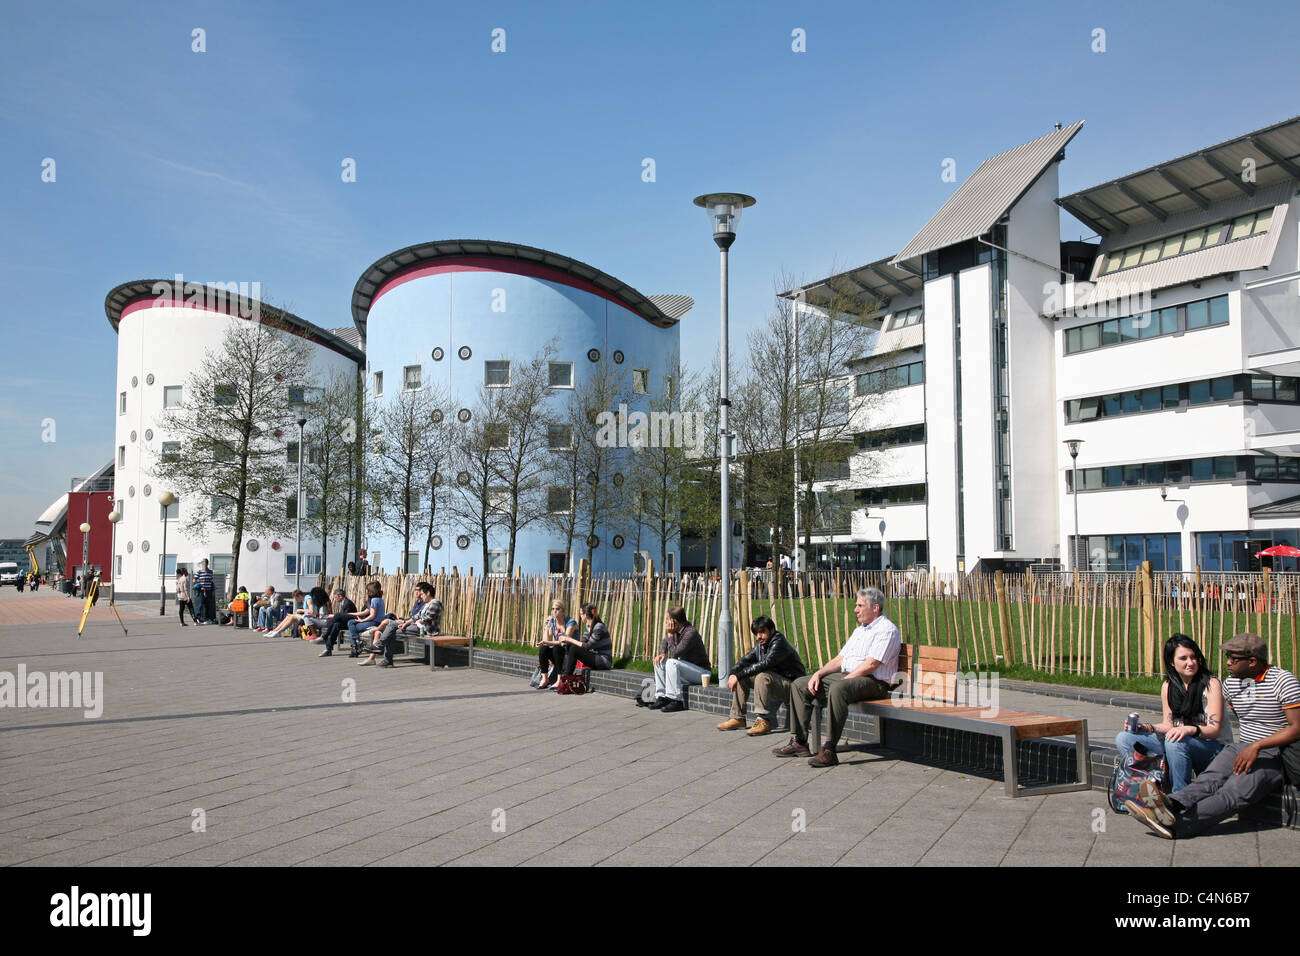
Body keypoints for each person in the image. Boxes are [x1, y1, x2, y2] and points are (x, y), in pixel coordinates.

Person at [1126, 632, 1300, 839]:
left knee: (1233, 792)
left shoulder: (1283, 681)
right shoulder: (1232, 684)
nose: (1227, 663)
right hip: (1241, 747)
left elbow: (1296, 727)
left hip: (1275, 753)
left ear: (1252, 662)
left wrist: (1257, 746)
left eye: (1233, 659)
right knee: (1209, 780)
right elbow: (1242, 715)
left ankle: (1178, 825)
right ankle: (1170, 805)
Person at [774, 586, 900, 767]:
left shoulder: (886, 630)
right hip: (852, 677)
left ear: (875, 608)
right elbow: (841, 659)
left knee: (838, 687)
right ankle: (800, 742)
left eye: (859, 605)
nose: (855, 609)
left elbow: (872, 664)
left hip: (875, 682)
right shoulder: (860, 631)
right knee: (801, 684)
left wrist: (846, 680)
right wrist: (818, 674)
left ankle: (829, 750)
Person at [1114, 634, 1228, 793]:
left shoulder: (1210, 684)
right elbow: (1169, 725)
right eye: (1183, 658)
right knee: (1124, 738)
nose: (1190, 662)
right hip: (1179, 743)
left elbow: (1214, 731)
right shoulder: (1168, 686)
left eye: (1193, 657)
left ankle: (1179, 797)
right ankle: (1150, 787)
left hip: (1212, 748)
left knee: (1174, 741)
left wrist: (1190, 729)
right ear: (1172, 662)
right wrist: (1146, 727)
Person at [717, 616, 805, 735]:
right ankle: (737, 718)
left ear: (772, 630)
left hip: (794, 687)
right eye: (757, 633)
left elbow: (765, 664)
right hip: (779, 683)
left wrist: (738, 675)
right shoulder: (761, 644)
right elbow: (746, 660)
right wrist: (734, 674)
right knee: (742, 677)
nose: (759, 636)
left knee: (762, 676)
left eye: (762, 632)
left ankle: (763, 720)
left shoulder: (779, 643)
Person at [362, 581, 442, 667]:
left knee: (391, 629)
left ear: (428, 593)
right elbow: (416, 616)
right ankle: (383, 654)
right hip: (417, 626)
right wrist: (406, 623)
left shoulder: (435, 603)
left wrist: (414, 621)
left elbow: (425, 619)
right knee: (391, 627)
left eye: (422, 594)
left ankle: (381, 650)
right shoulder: (426, 605)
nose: (421, 596)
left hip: (425, 630)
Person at [648, 606, 711, 713]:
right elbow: (665, 641)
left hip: (702, 673)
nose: (666, 622)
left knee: (672, 663)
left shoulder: (690, 633)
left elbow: (674, 654)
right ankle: (662, 697)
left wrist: (671, 634)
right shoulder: (677, 630)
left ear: (674, 621)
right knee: (659, 662)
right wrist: (662, 653)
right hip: (687, 672)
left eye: (667, 619)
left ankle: (675, 700)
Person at [550, 603, 613, 687]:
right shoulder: (588, 626)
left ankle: (565, 680)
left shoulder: (599, 627)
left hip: (604, 661)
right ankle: (562, 678)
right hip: (595, 657)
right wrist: (566, 642)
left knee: (574, 649)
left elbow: (587, 646)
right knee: (571, 647)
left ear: (586, 615)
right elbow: (582, 642)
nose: (580, 616)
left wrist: (569, 639)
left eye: (581, 614)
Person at [536, 600, 578, 690]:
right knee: (544, 648)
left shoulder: (571, 622)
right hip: (559, 653)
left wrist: (547, 642)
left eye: (557, 609)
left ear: (563, 611)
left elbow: (564, 642)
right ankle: (545, 679)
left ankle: (559, 679)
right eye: (553, 609)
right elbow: (546, 641)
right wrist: (547, 627)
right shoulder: (553, 622)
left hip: (570, 653)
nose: (554, 611)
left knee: (557, 647)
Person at [347, 581, 386, 656]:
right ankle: (355, 646)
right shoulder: (380, 600)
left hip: (373, 622)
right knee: (352, 624)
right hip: (378, 621)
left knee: (351, 624)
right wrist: (368, 604)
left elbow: (372, 615)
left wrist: (362, 620)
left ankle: (355, 644)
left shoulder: (374, 600)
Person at [317, 588, 358, 657]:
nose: (335, 599)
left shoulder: (347, 603)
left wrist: (333, 616)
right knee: (336, 624)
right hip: (345, 622)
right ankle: (328, 649)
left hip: (351, 623)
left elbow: (343, 616)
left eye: (335, 597)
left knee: (337, 616)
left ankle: (324, 636)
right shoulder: (344, 602)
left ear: (340, 596)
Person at [193, 559, 215, 624]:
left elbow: (211, 581)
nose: (203, 565)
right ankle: (198, 619)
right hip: (200, 591)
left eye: (205, 564)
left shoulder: (210, 572)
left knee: (207, 605)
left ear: (207, 564)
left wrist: (212, 590)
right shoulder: (199, 572)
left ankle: (206, 618)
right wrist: (200, 586)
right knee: (200, 604)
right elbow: (194, 580)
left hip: (208, 590)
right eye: (202, 564)